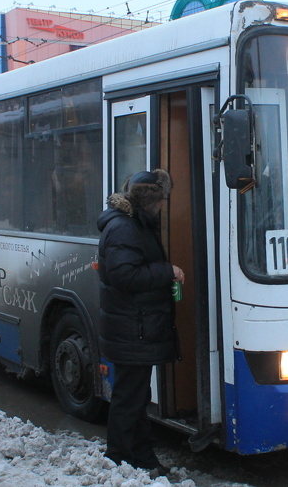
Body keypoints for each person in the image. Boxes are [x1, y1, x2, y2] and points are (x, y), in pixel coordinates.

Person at [95, 169, 184, 476]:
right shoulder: (125, 229)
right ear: (151, 200)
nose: (164, 206)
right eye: (161, 200)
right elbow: (124, 276)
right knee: (130, 398)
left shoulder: (132, 224)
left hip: (134, 326)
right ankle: (123, 458)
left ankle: (137, 458)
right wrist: (167, 272)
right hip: (133, 328)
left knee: (134, 396)